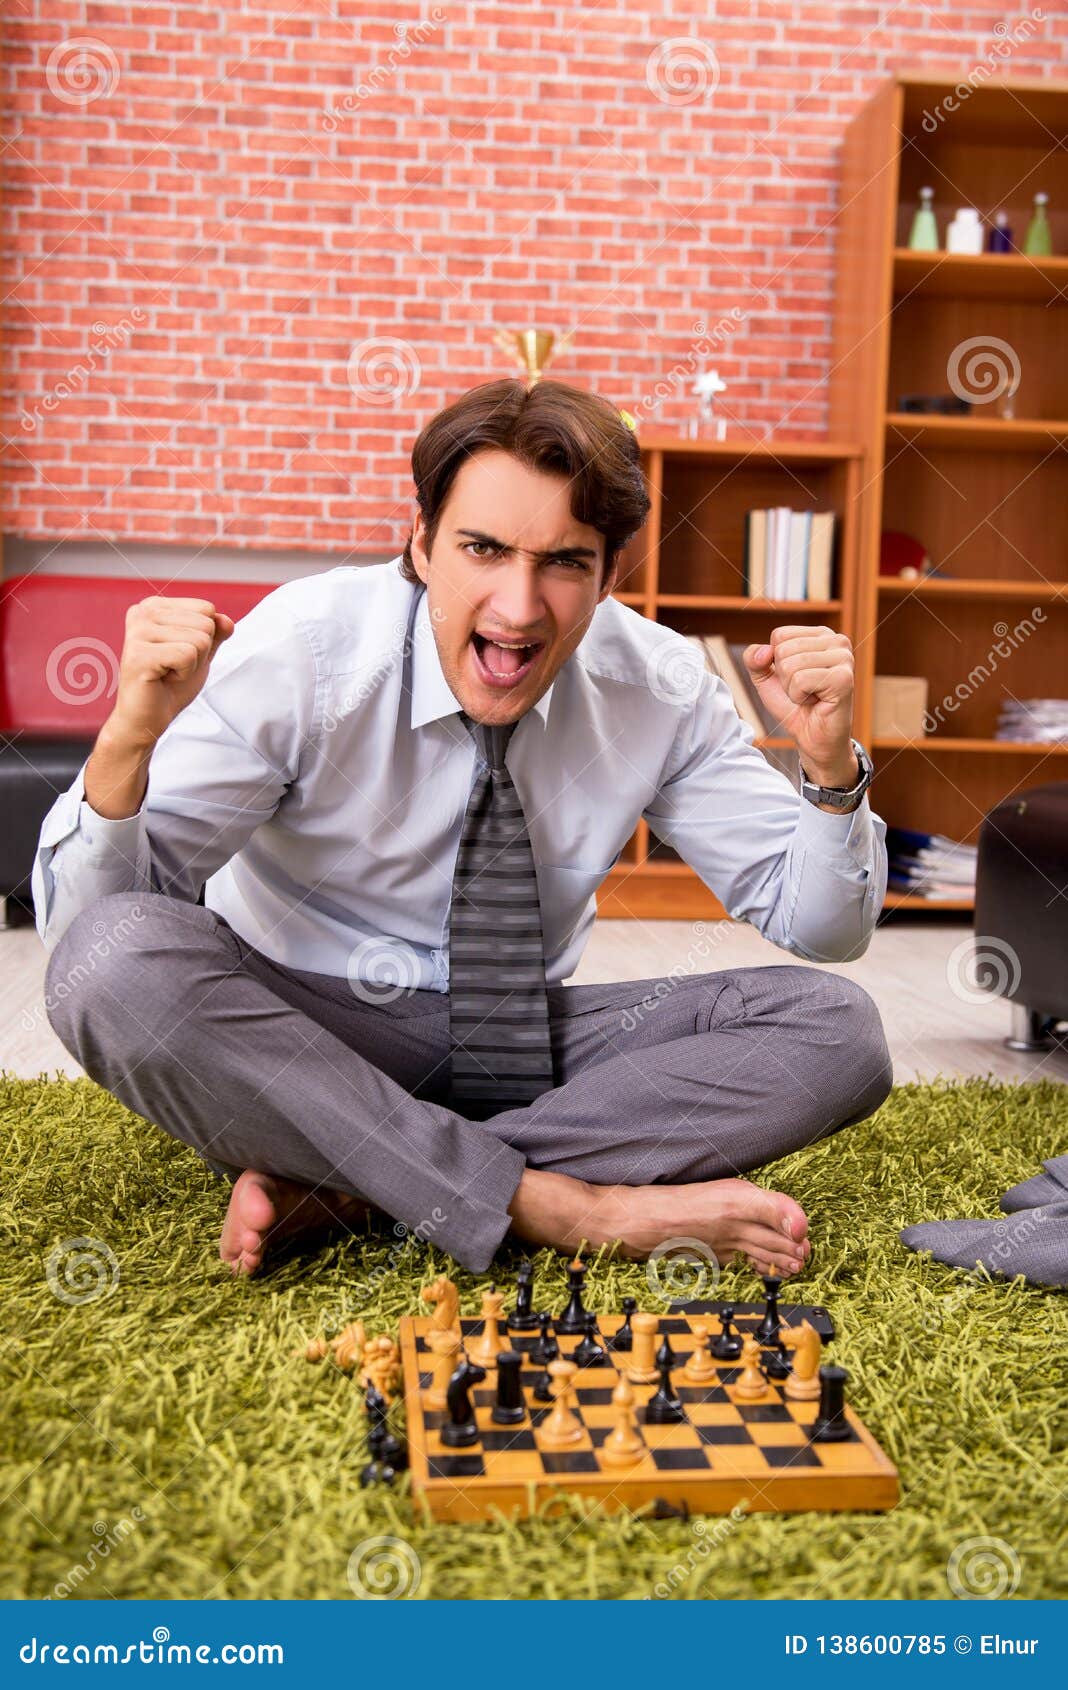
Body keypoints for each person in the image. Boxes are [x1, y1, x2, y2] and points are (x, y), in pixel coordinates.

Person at [34, 379, 893, 1281]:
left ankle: (360, 1184)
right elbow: (86, 940)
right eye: (483, 548)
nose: (518, 609)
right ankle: (566, 1205)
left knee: (835, 1031)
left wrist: (830, 771)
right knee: (119, 959)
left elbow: (824, 929)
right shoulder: (308, 647)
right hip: (307, 1033)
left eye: (562, 561)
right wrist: (129, 737)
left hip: (523, 1044)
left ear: (610, 575)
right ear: (421, 545)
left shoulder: (661, 684)